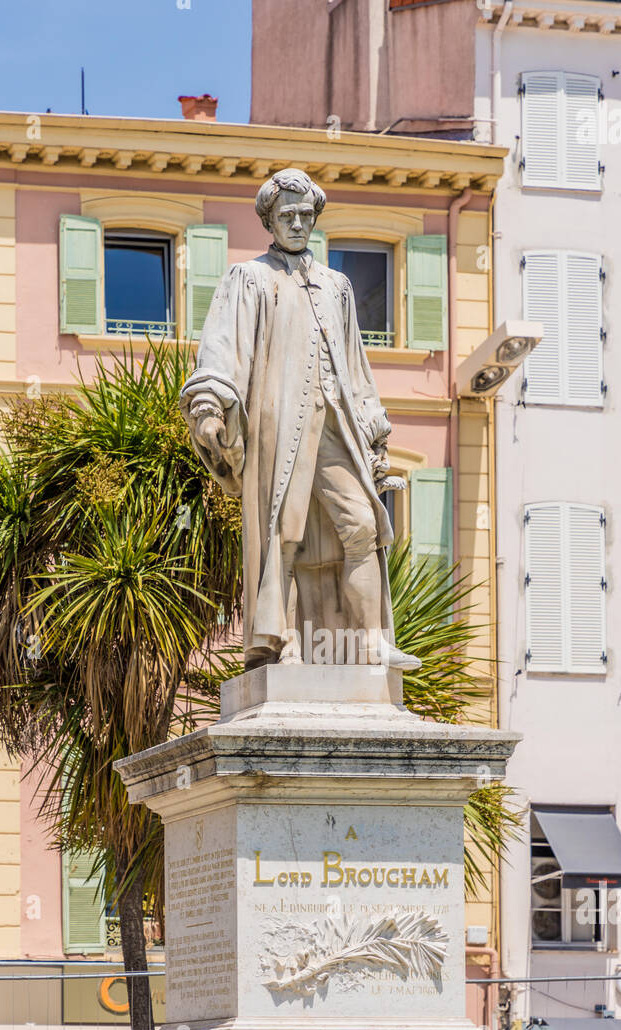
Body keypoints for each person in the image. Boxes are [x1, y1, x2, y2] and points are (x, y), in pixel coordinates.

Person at [181, 167, 421, 672]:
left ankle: (371, 643)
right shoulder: (249, 279)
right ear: (268, 220)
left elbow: (356, 364)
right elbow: (221, 349)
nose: (296, 222)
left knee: (361, 525)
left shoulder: (337, 286)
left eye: (305, 214)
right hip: (278, 428)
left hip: (337, 425)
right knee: (283, 536)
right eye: (286, 214)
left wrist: (373, 427)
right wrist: (207, 408)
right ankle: (284, 642)